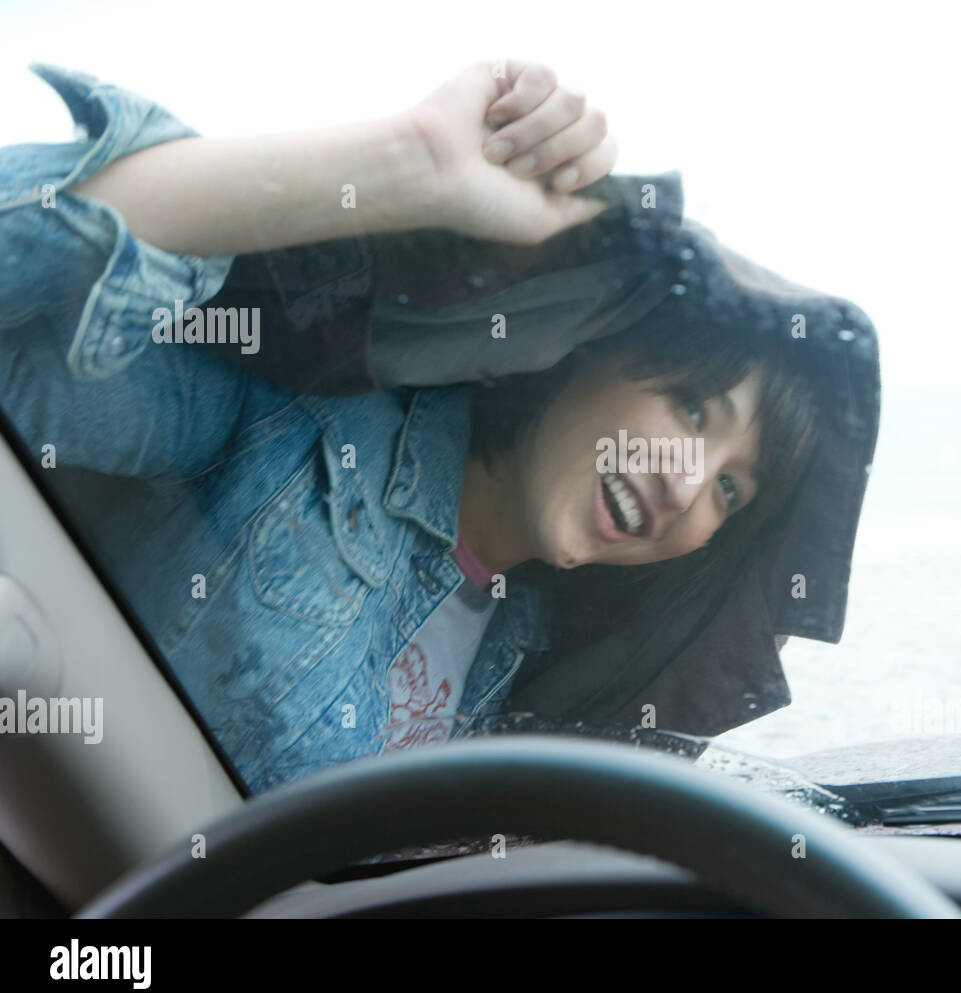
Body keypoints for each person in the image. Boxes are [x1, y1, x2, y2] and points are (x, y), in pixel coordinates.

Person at [0, 61, 881, 796]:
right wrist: (406, 163)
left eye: (731, 489)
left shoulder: (529, 653)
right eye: (694, 410)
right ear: (584, 349)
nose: (687, 487)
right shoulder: (289, 430)